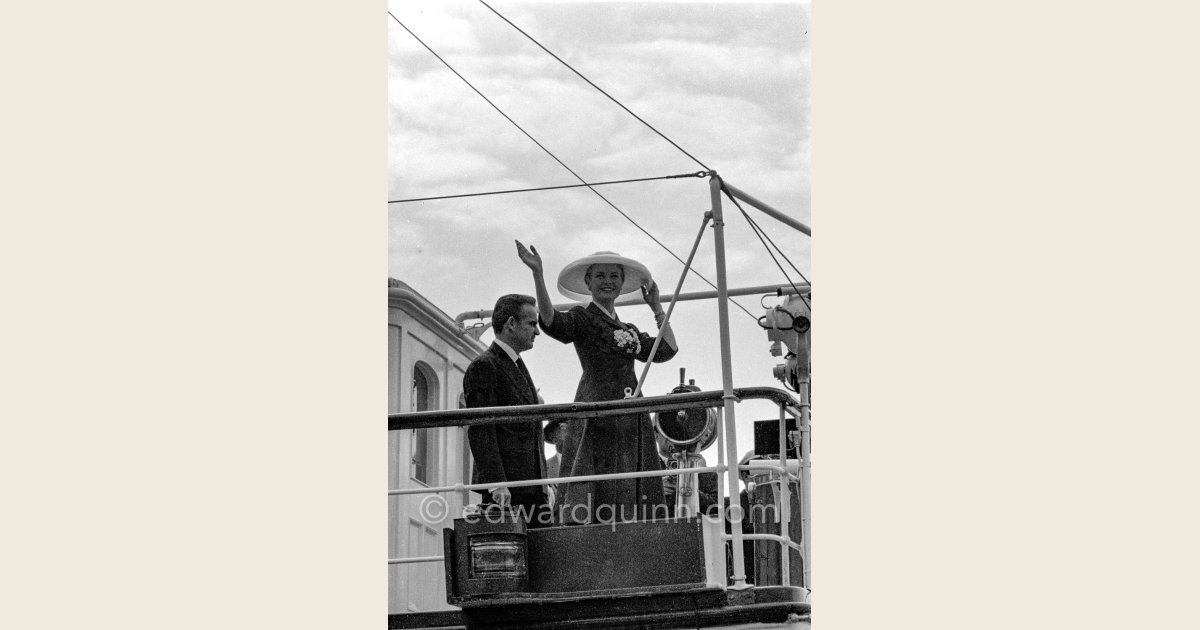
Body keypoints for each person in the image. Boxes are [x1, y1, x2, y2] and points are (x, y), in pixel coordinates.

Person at [515, 241, 678, 524]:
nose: (608, 282)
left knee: (631, 483)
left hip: (630, 414)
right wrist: (538, 275)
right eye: (601, 276)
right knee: (595, 482)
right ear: (589, 282)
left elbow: (666, 350)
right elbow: (552, 322)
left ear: (622, 283)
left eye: (614, 276)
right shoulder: (583, 318)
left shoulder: (628, 329)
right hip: (596, 408)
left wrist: (656, 307)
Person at [464, 293, 551, 526]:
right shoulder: (485, 366)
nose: (537, 332)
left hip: (531, 489)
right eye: (532, 324)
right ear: (511, 324)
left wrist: (544, 483)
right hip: (508, 492)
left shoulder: (515, 365)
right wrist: (496, 483)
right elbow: (481, 428)